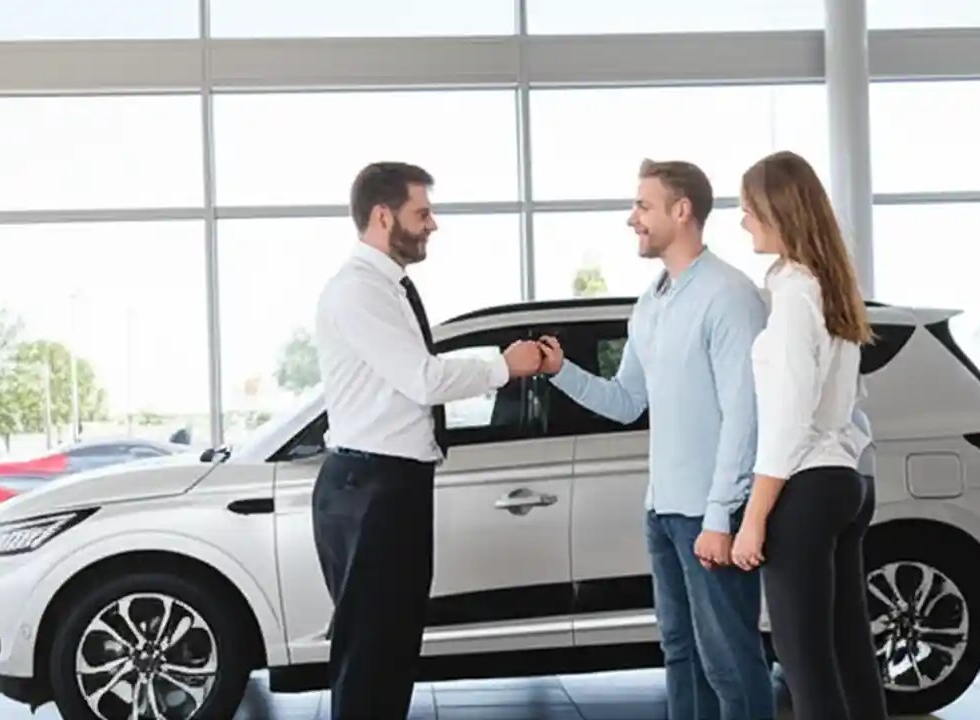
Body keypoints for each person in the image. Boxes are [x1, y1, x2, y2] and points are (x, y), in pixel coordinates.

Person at [537, 159, 775, 720]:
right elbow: (626, 403)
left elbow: (746, 416)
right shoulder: (652, 302)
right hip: (664, 510)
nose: (632, 219)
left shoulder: (728, 296)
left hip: (712, 513)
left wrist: (719, 515)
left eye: (642, 206)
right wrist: (560, 370)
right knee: (680, 654)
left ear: (682, 210)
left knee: (731, 663)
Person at [312, 161, 543, 720]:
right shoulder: (359, 291)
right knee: (372, 654)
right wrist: (503, 367)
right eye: (422, 213)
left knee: (389, 649)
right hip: (373, 487)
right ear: (382, 215)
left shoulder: (385, 287)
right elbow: (423, 377)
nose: (432, 225)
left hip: (389, 484)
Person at [729, 150, 888, 720]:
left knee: (807, 669)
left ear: (778, 211)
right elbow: (846, 407)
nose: (742, 219)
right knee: (850, 658)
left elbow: (789, 421)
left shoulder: (797, 296)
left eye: (748, 208)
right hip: (843, 481)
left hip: (807, 487)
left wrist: (753, 519)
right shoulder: (829, 286)